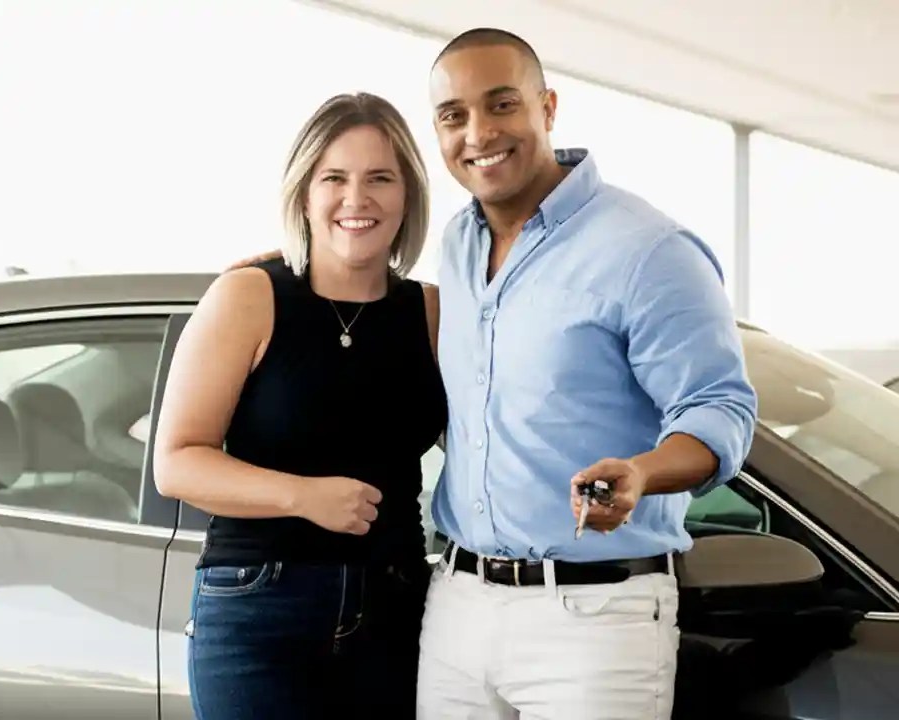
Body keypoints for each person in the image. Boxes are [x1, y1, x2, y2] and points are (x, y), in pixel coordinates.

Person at [416, 28, 758, 720]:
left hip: (596, 618)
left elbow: (719, 407)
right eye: (454, 115)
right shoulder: (457, 243)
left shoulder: (648, 248)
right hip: (457, 605)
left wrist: (642, 472)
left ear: (547, 106)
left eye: (502, 105)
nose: (478, 132)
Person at [153, 92, 447, 719]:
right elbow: (177, 463)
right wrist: (304, 497)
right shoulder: (249, 297)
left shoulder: (431, 314)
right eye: (334, 178)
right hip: (259, 609)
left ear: (408, 195)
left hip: (397, 612)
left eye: (380, 179)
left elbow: (493, 441)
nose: (356, 199)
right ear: (305, 192)